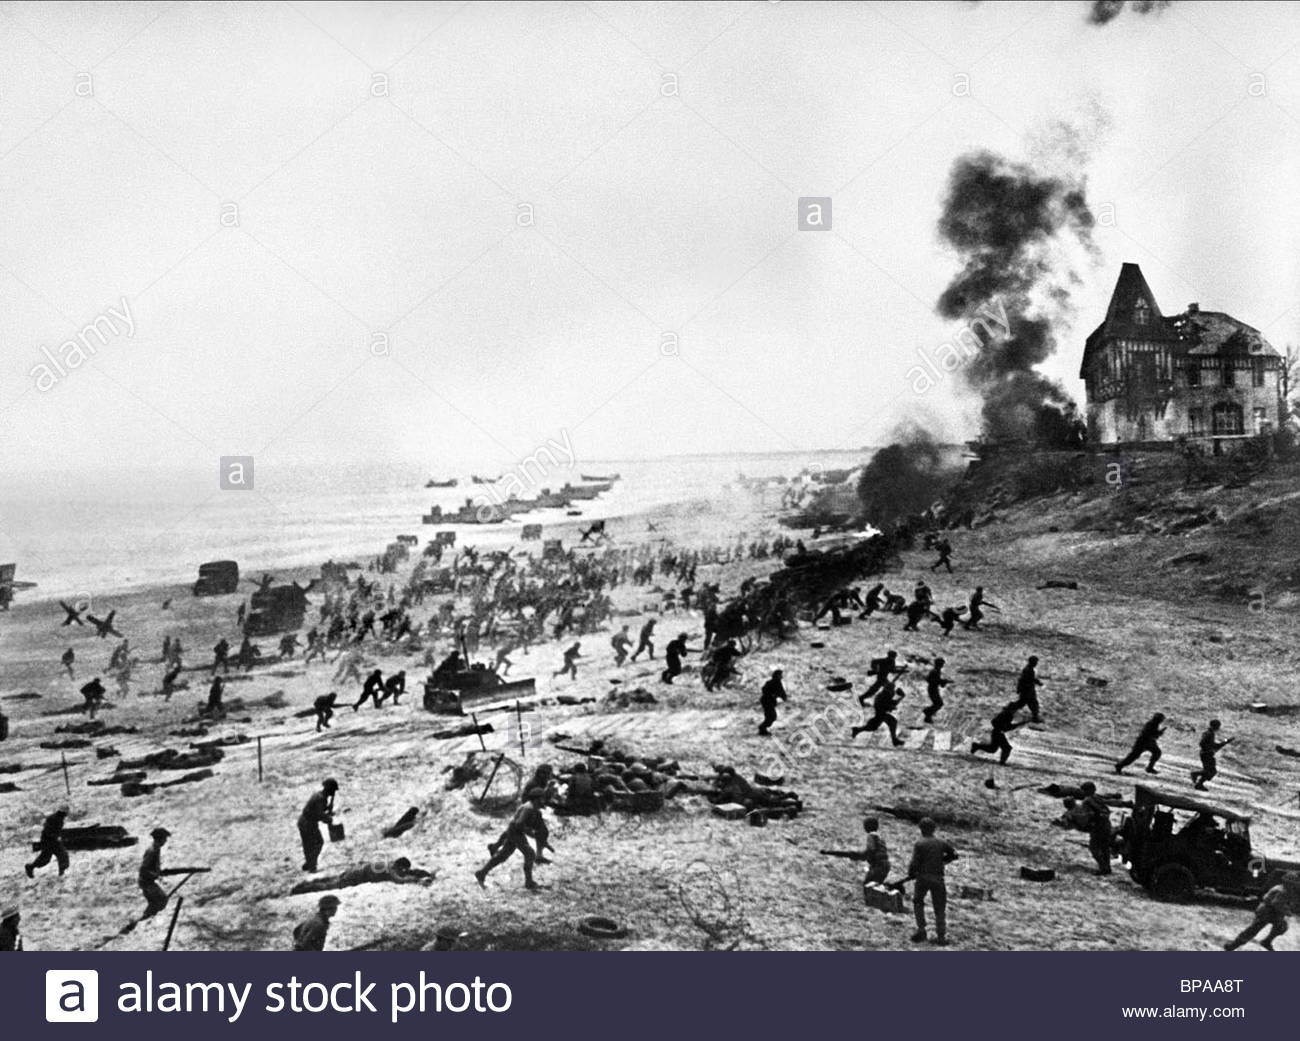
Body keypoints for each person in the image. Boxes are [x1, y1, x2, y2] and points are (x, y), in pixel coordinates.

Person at [475, 793, 546, 890]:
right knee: (530, 854)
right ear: (536, 799)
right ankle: (529, 882)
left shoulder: (532, 808)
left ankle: (481, 873)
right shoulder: (528, 808)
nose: (543, 801)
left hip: (515, 832)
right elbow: (519, 824)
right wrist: (532, 834)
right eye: (541, 799)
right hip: (515, 832)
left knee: (502, 855)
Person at [906, 818, 957, 945]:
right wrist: (943, 861)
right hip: (938, 878)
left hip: (922, 878)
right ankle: (941, 936)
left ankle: (921, 930)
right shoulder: (941, 843)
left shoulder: (920, 843)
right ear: (934, 829)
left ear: (921, 829)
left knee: (918, 902)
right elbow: (955, 855)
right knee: (939, 907)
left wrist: (911, 873)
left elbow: (914, 862)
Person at [1224, 874, 1299, 951]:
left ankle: (1267, 941)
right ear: (1287, 883)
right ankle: (1233, 945)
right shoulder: (1282, 891)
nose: (1294, 886)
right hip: (1266, 911)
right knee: (1253, 930)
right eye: (1293, 884)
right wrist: (1288, 912)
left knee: (1281, 926)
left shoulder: (1285, 890)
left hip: (1275, 912)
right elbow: (1276, 903)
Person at [138, 827, 183, 920]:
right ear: (160, 839)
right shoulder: (152, 850)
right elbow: (144, 868)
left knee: (156, 902)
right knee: (161, 900)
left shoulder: (156, 849)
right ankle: (142, 920)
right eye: (164, 839)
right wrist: (155, 874)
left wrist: (159, 872)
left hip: (146, 881)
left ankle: (143, 919)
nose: (165, 841)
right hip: (146, 882)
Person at [298, 779, 338, 872]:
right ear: (329, 789)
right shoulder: (320, 798)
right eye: (333, 790)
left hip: (304, 822)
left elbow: (319, 810)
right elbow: (319, 814)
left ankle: (309, 862)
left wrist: (328, 810)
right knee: (318, 843)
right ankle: (312, 866)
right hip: (308, 823)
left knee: (308, 844)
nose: (334, 792)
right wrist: (329, 819)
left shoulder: (320, 796)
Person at [852, 679, 905, 746]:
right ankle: (894, 740)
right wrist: (901, 697)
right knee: (889, 722)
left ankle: (857, 730)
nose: (893, 690)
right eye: (892, 688)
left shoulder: (885, 694)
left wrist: (899, 699)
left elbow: (891, 703)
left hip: (881, 713)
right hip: (881, 713)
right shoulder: (885, 695)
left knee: (874, 726)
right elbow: (890, 704)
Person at [25, 806, 70, 878]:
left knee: (48, 857)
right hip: (50, 841)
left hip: (50, 840)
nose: (68, 813)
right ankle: (62, 873)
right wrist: (55, 837)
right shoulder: (56, 819)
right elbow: (48, 831)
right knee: (60, 855)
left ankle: (31, 867)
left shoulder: (57, 818)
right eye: (67, 812)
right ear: (64, 812)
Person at [1079, 782, 1113, 875]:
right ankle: (1107, 867)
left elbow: (1087, 815)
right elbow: (1107, 810)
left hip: (1097, 827)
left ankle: (1103, 868)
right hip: (1106, 825)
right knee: (1105, 848)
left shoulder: (1087, 801)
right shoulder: (1098, 798)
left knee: (1094, 848)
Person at [1191, 719, 1230, 790]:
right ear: (1216, 726)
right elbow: (1202, 743)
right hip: (1207, 754)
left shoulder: (1209, 733)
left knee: (1209, 771)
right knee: (1211, 771)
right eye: (1218, 726)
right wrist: (1209, 749)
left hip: (1206, 753)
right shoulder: (1210, 734)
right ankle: (1196, 776)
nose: (1219, 728)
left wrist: (1225, 742)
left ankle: (1199, 783)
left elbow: (1213, 745)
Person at [857, 816, 890, 886]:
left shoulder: (871, 836)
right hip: (885, 865)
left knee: (867, 885)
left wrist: (862, 856)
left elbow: (871, 851)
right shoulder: (880, 837)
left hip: (878, 866)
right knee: (877, 884)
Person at [1014, 655, 1043, 723]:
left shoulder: (1028, 669)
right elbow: (1029, 679)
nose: (1036, 663)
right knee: (1032, 704)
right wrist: (1038, 682)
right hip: (1027, 691)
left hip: (1027, 690)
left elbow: (1022, 679)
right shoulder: (1029, 670)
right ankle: (1035, 718)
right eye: (1035, 662)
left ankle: (1008, 711)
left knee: (1023, 703)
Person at [758, 668, 787, 736]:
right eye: (780, 675)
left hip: (768, 701)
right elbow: (764, 689)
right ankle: (762, 728)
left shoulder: (775, 682)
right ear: (777, 675)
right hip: (767, 701)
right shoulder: (774, 682)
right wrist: (772, 695)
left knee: (771, 716)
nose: (781, 676)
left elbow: (781, 692)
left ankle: (763, 728)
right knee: (772, 716)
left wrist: (783, 696)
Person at [922, 658, 949, 724]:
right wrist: (942, 681)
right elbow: (930, 680)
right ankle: (927, 712)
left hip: (933, 689)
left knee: (938, 704)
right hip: (933, 689)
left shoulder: (936, 671)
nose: (942, 665)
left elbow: (934, 680)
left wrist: (942, 681)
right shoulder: (935, 671)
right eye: (942, 664)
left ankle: (928, 715)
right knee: (939, 703)